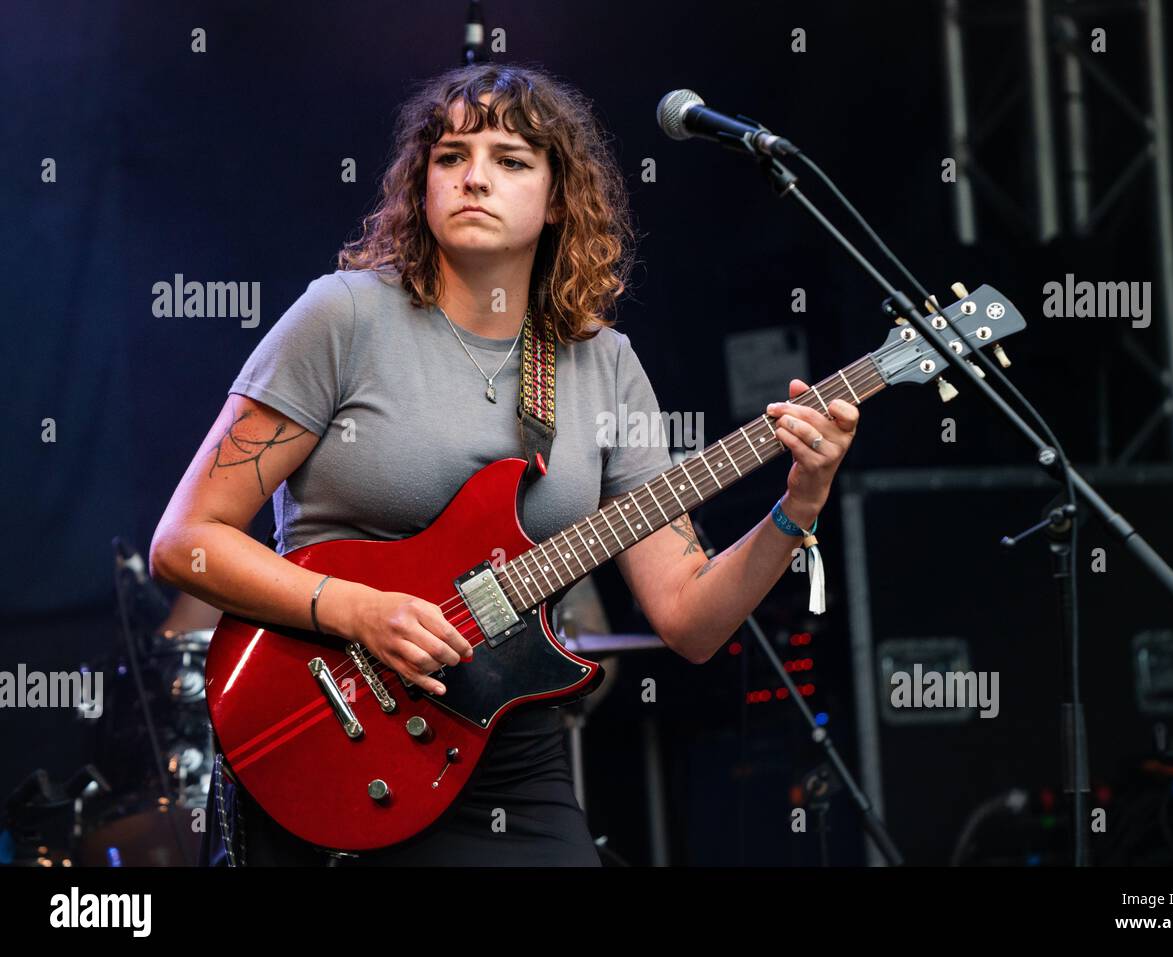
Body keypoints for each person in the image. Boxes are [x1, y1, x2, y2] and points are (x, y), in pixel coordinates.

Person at [149, 62, 859, 866]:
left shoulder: (604, 363)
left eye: (511, 160)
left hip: (506, 757)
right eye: (451, 156)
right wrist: (355, 608)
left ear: (559, 198)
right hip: (329, 731)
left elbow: (690, 621)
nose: (474, 177)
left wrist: (798, 503)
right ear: (421, 185)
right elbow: (185, 540)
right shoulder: (342, 316)